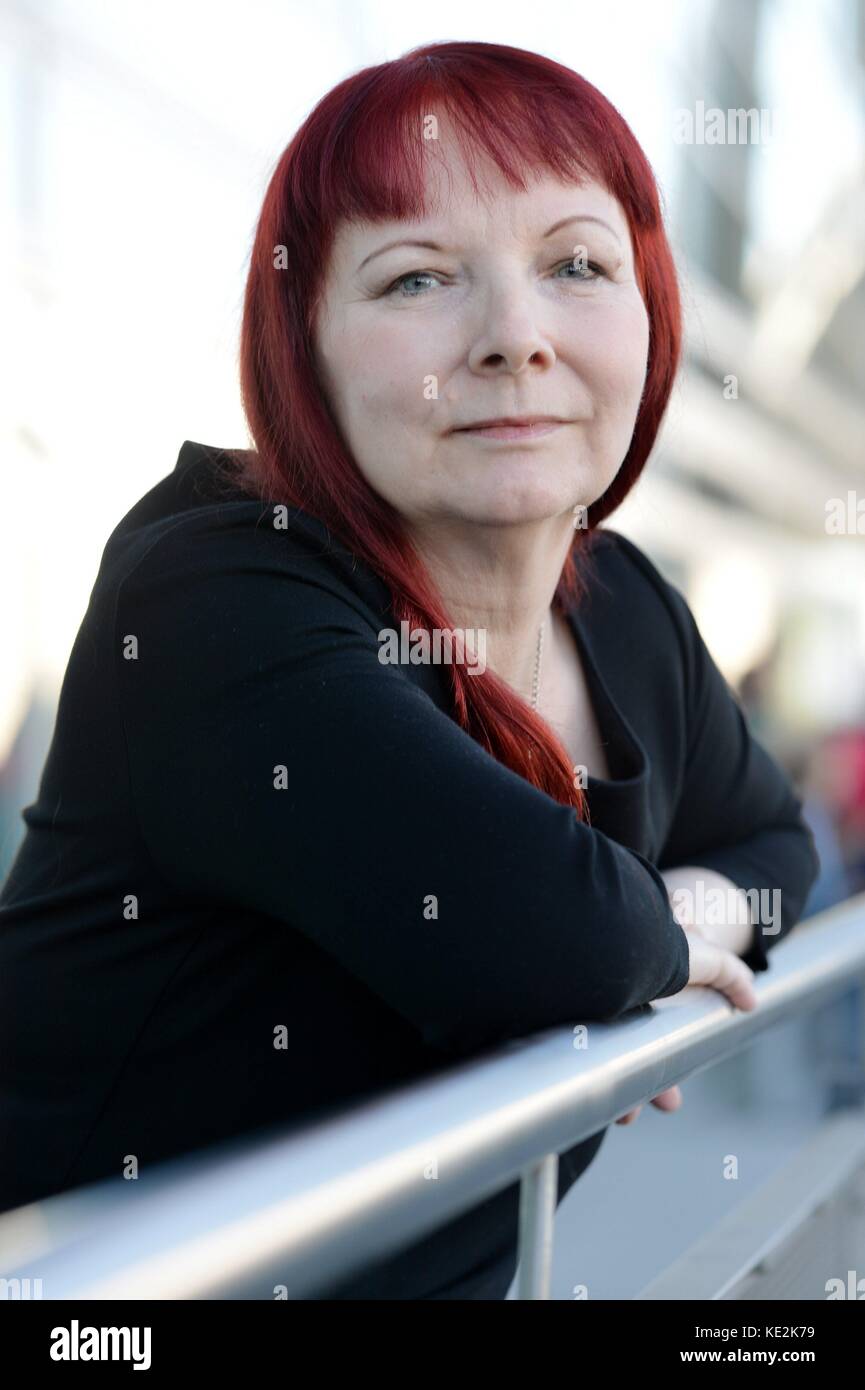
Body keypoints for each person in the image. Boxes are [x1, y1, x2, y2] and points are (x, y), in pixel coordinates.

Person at [0, 40, 819, 1300]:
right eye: (418, 278)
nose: (511, 338)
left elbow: (771, 850)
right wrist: (633, 944)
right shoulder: (213, 592)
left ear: (650, 310)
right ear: (303, 346)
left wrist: (663, 931)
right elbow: (561, 937)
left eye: (575, 265)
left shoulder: (628, 611)